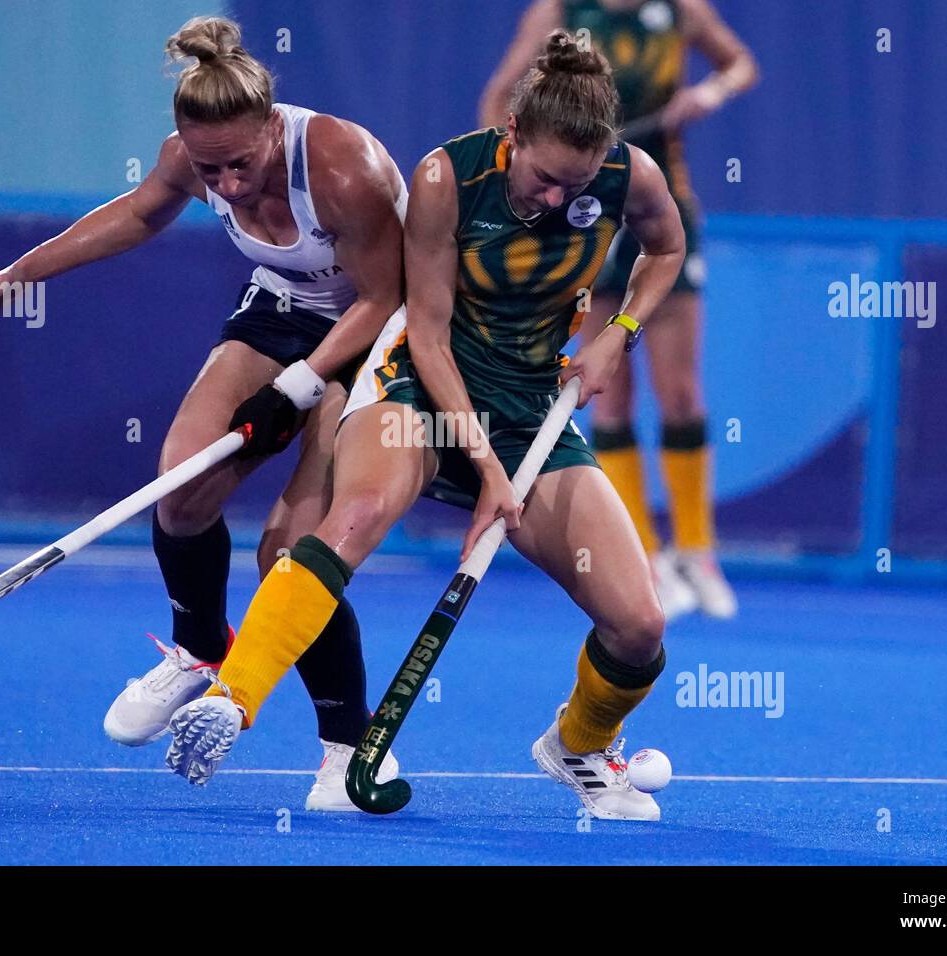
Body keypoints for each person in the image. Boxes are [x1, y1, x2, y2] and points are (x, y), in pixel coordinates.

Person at [166, 31, 686, 821]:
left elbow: (667, 248)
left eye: (572, 185)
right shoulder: (447, 177)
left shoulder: (628, 175)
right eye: (545, 179)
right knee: (361, 513)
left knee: (639, 624)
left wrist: (620, 335)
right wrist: (484, 468)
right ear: (512, 135)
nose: (554, 200)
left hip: (530, 405)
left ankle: (577, 743)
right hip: (418, 381)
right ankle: (232, 700)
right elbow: (432, 334)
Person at [0, 16, 406, 811]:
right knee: (182, 489)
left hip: (369, 335)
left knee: (289, 551)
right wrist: (14, 274)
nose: (224, 186)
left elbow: (386, 295)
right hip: (280, 312)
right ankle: (200, 647)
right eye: (207, 169)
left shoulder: (341, 167)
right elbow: (133, 216)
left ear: (273, 126)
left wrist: (298, 389)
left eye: (239, 165)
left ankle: (347, 745)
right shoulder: (191, 162)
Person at [481, 0, 759, 619]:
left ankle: (698, 552)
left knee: (681, 390)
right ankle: (647, 554)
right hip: (584, 211)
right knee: (608, 390)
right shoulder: (559, 11)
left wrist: (710, 93)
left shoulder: (681, 10)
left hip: (663, 205)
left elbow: (741, 65)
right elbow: (501, 95)